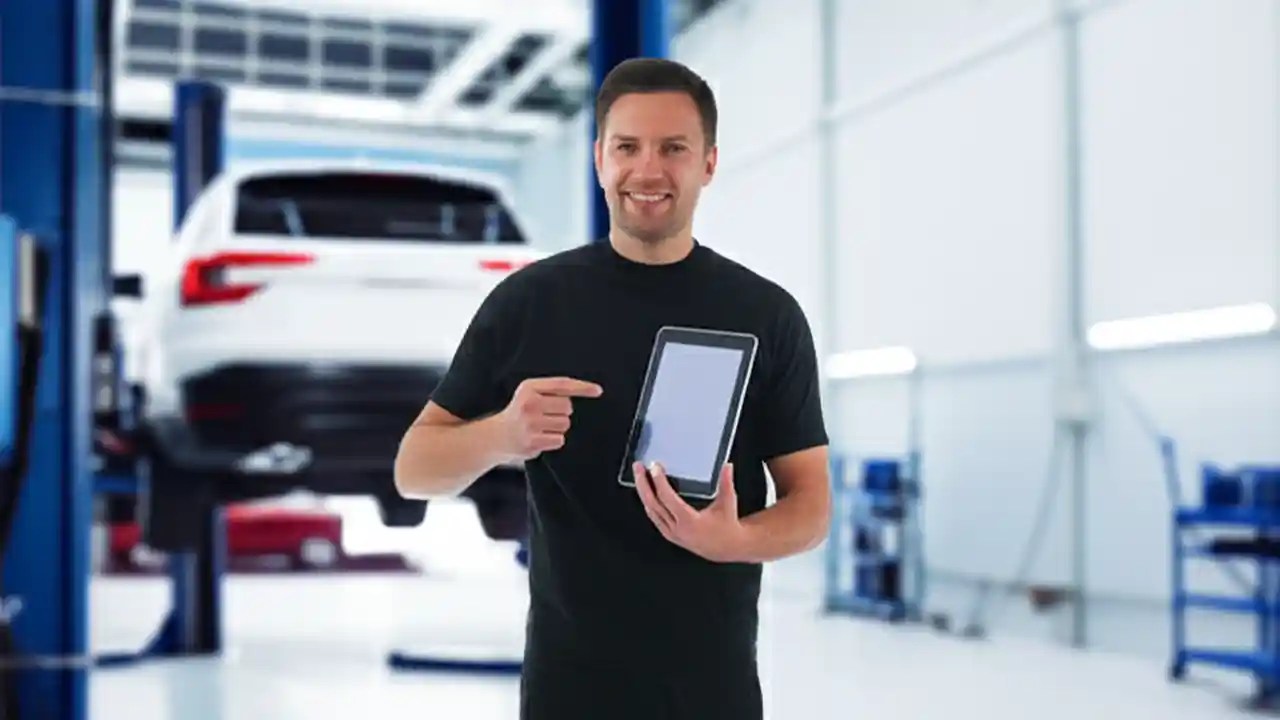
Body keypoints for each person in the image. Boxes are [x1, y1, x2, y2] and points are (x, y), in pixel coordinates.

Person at [394, 56, 831, 719]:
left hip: (711, 697)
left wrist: (735, 540)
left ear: (709, 163)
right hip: (568, 694)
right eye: (627, 147)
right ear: (599, 159)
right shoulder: (528, 303)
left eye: (674, 149)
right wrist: (502, 434)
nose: (648, 170)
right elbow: (412, 471)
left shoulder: (766, 316)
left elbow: (812, 506)